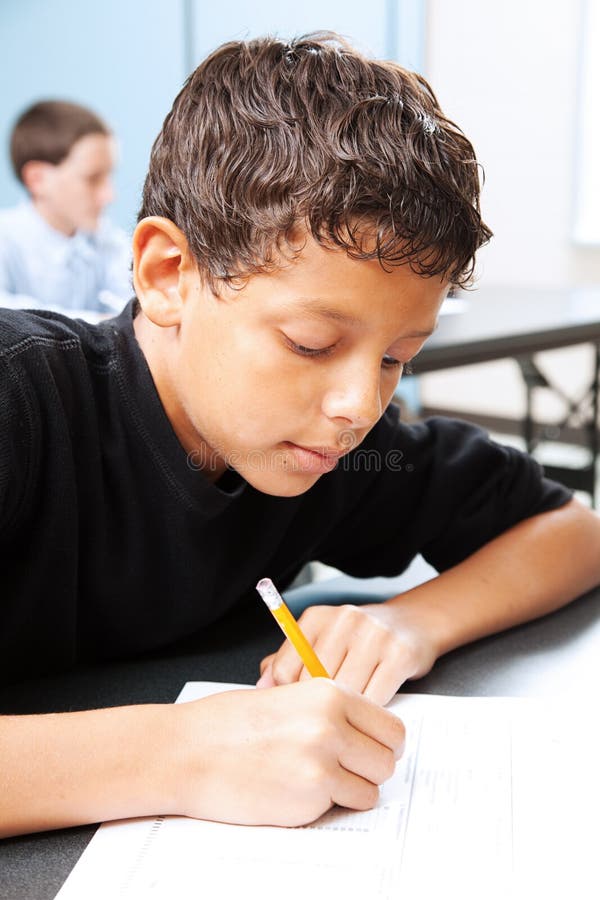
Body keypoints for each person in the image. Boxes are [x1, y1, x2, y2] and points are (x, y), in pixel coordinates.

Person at [1, 33, 600, 839]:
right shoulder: (22, 403)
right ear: (168, 274)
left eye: (396, 359)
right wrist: (180, 753)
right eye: (311, 344)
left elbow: (574, 532)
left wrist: (410, 623)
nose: (358, 404)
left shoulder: (327, 452)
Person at [0, 99, 131, 315]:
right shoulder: (6, 238)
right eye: (92, 179)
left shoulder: (107, 241)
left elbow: (138, 308)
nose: (109, 195)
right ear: (37, 179)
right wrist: (102, 325)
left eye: (109, 176)